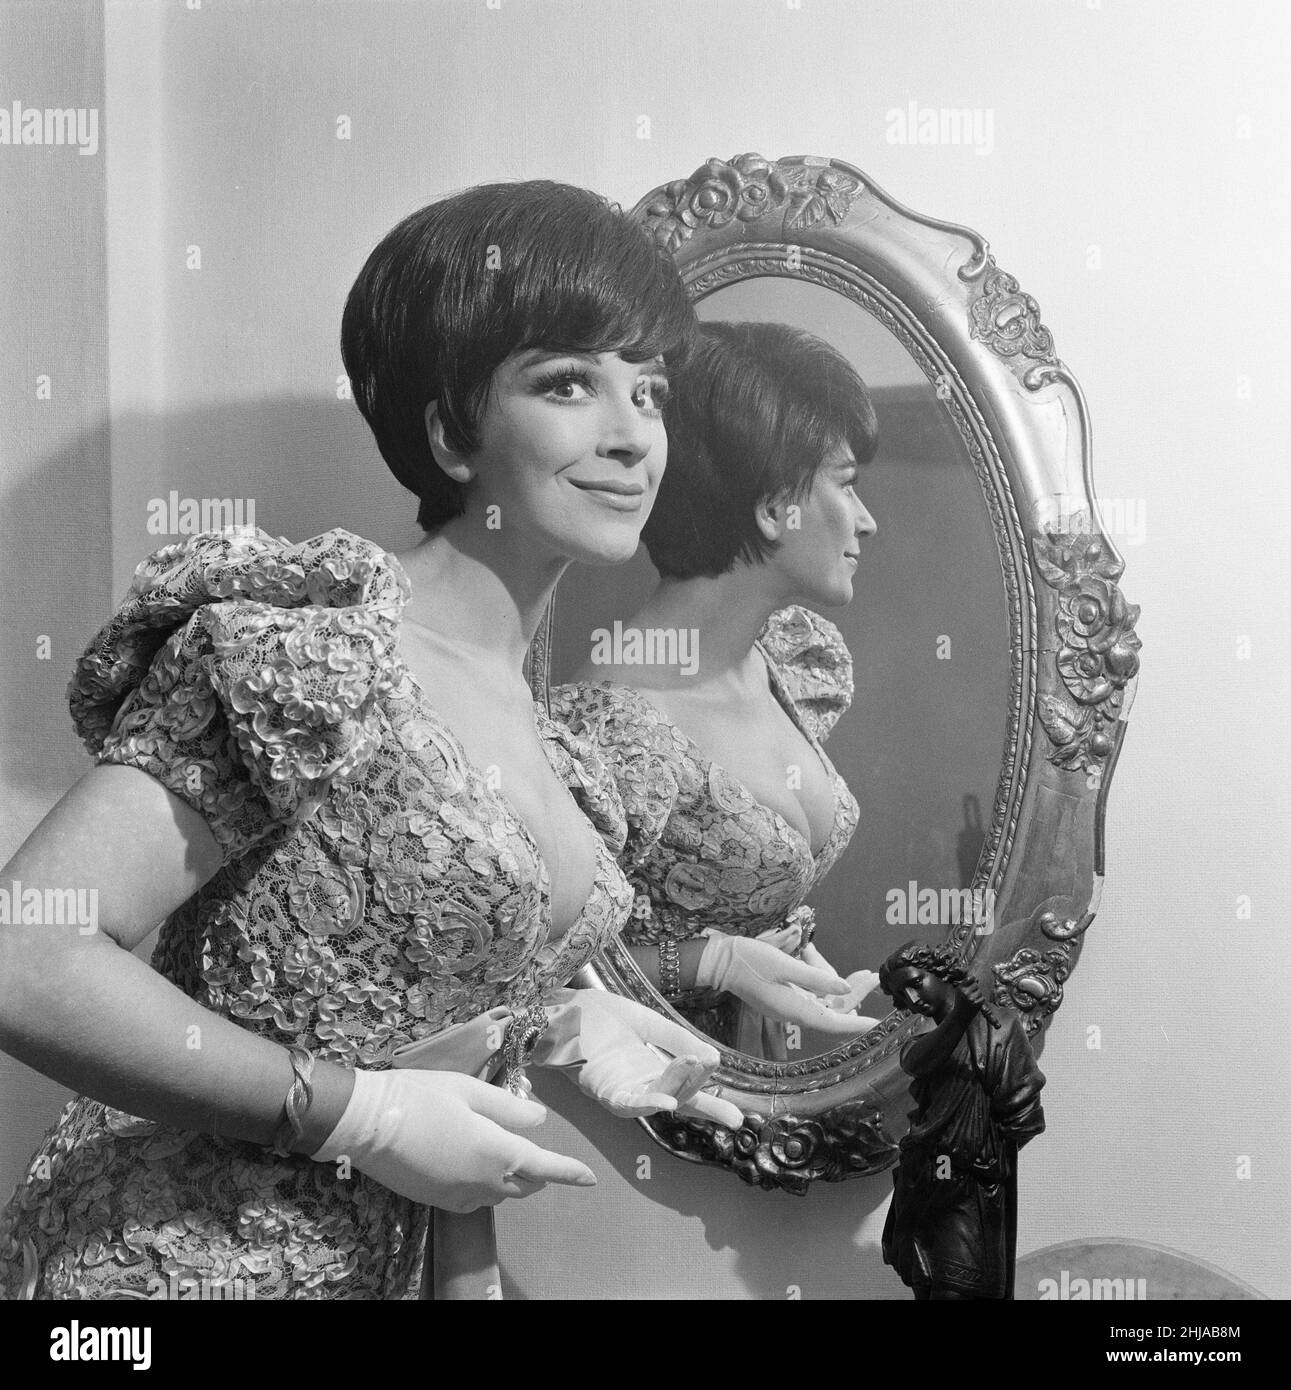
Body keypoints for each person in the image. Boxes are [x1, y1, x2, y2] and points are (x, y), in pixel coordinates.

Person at [0, 180, 742, 1301]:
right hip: (162, 1272)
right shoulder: (309, 658)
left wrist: (557, 1022)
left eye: (649, 391)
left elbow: (391, 988)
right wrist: (362, 1113)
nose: (633, 435)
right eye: (567, 383)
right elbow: (25, 956)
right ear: (449, 430)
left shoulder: (545, 731)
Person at [551, 321, 883, 1058]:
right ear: (772, 507)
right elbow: (539, 976)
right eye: (848, 485)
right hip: (646, 1112)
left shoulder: (787, 661)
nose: (866, 521)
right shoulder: (610, 727)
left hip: (765, 1076)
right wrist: (708, 962)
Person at [877, 940, 1046, 1300]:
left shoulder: (1002, 1029)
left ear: (941, 974)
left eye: (916, 982)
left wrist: (978, 1156)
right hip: (925, 1183)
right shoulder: (921, 1046)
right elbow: (918, 1062)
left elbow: (1023, 1118)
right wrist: (959, 1016)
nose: (912, 999)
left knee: (959, 1291)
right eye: (901, 995)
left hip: (974, 1188)